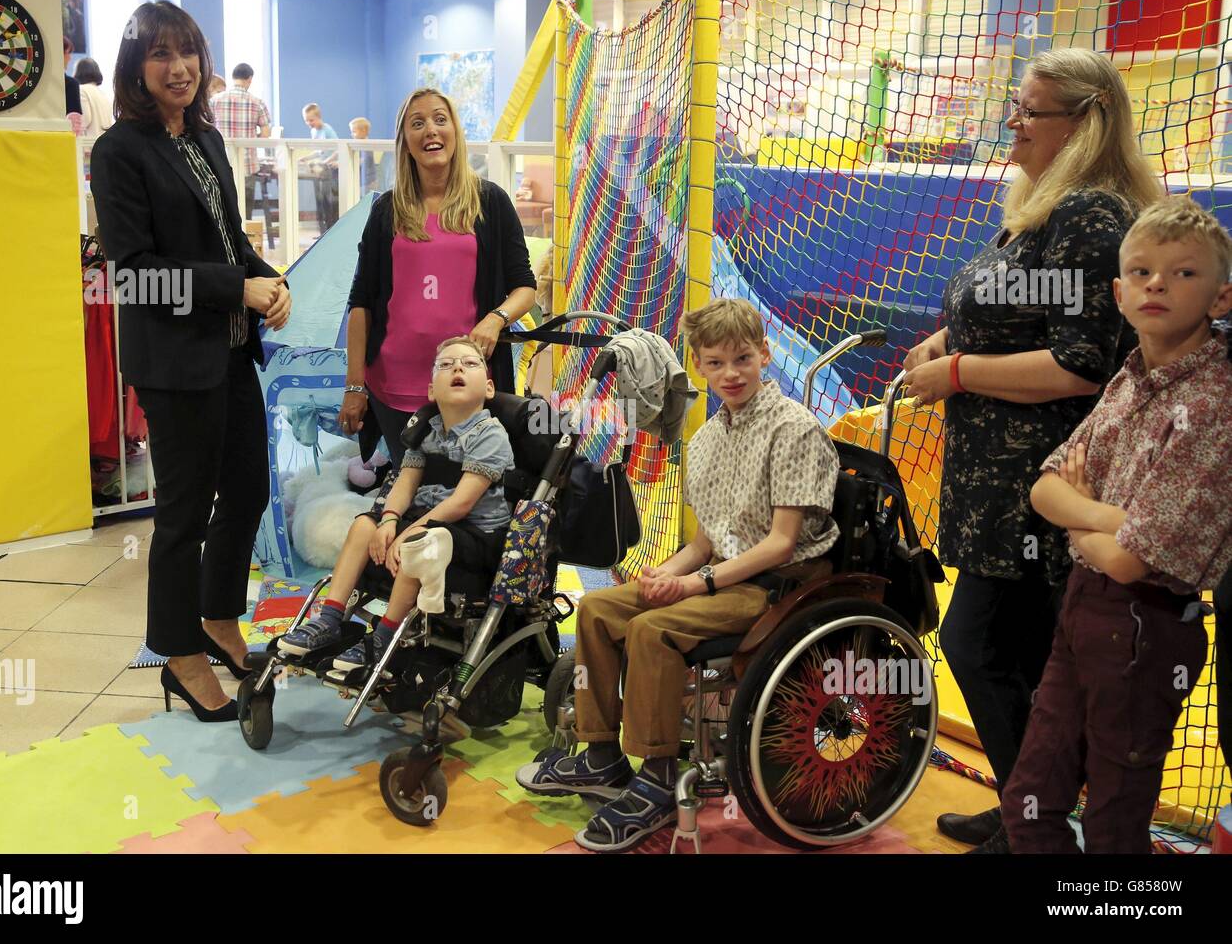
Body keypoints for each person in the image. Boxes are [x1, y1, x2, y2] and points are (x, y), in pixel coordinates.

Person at [901, 47, 1163, 853]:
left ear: (1082, 122)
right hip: (994, 482)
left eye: (1028, 111)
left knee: (981, 648)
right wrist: (950, 339)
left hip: (1034, 483)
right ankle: (1028, 806)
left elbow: (1080, 362)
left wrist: (956, 369)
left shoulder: (1089, 216)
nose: (1011, 125)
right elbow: (1017, 308)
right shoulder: (1044, 207)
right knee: (1008, 652)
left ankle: (1035, 821)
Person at [516, 297, 840, 852]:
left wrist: (696, 584)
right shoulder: (710, 437)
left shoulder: (796, 429)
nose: (730, 374)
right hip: (724, 575)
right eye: (715, 363)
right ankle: (600, 753)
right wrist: (664, 575)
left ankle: (660, 774)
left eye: (742, 358)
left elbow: (781, 544)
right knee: (599, 609)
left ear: (765, 354)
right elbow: (704, 543)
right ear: (698, 366)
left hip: (780, 586)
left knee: (652, 630)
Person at [1001, 195, 1232, 853]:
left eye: (1183, 273)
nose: (1156, 283)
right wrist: (1104, 519)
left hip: (1146, 625)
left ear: (1221, 299)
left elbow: (1135, 560)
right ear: (1119, 293)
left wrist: (1083, 522)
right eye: (1140, 272)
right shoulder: (1127, 381)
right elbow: (1046, 486)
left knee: (1113, 821)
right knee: (1030, 799)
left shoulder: (1212, 401)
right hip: (1083, 606)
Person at [90, 1, 291, 722]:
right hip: (175, 363)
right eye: (160, 55)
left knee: (247, 493)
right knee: (182, 517)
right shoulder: (118, 150)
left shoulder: (204, 137)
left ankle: (217, 619)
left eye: (189, 53)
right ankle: (177, 652)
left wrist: (272, 278)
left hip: (232, 352)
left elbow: (229, 238)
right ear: (135, 68)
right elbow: (136, 271)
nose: (178, 68)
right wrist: (237, 285)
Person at [279, 336, 514, 670]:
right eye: (446, 365)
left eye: (469, 364)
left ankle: (384, 636)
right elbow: (406, 481)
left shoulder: (490, 435)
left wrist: (406, 534)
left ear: (489, 388)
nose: (458, 367)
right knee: (364, 524)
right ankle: (329, 619)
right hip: (430, 523)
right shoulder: (426, 430)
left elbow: (460, 505)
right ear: (432, 390)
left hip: (474, 537)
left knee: (417, 543)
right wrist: (389, 520)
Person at [340, 88, 536, 469]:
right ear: (406, 143)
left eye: (440, 120)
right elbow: (361, 302)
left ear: (455, 133)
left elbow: (524, 287)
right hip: (393, 389)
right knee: (411, 501)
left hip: (467, 389)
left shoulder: (490, 202)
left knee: (471, 507)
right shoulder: (386, 210)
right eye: (418, 123)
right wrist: (354, 385)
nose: (430, 129)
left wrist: (496, 319)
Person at [211, 63, 272, 219]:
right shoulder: (257, 102)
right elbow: (266, 134)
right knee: (245, 214)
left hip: (220, 163)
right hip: (248, 165)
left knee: (222, 212)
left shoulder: (215, 100)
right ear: (249, 79)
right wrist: (252, 138)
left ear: (233, 78)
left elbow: (206, 128)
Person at [302, 102, 340, 234]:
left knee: (330, 203)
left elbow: (338, 148)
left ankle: (332, 230)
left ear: (318, 117)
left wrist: (327, 161)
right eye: (306, 120)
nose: (309, 123)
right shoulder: (313, 131)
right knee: (321, 202)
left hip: (330, 171)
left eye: (311, 120)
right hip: (321, 171)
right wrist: (306, 158)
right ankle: (323, 231)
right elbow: (319, 151)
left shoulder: (327, 130)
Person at [74, 57, 114, 138]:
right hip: (105, 143)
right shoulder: (103, 94)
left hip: (89, 146)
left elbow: (84, 120)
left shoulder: (81, 90)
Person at [349, 116, 378, 194]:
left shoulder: (366, 145)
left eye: (354, 132)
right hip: (363, 181)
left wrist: (349, 162)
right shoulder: (358, 145)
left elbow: (363, 160)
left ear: (364, 131)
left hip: (369, 182)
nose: (352, 134)